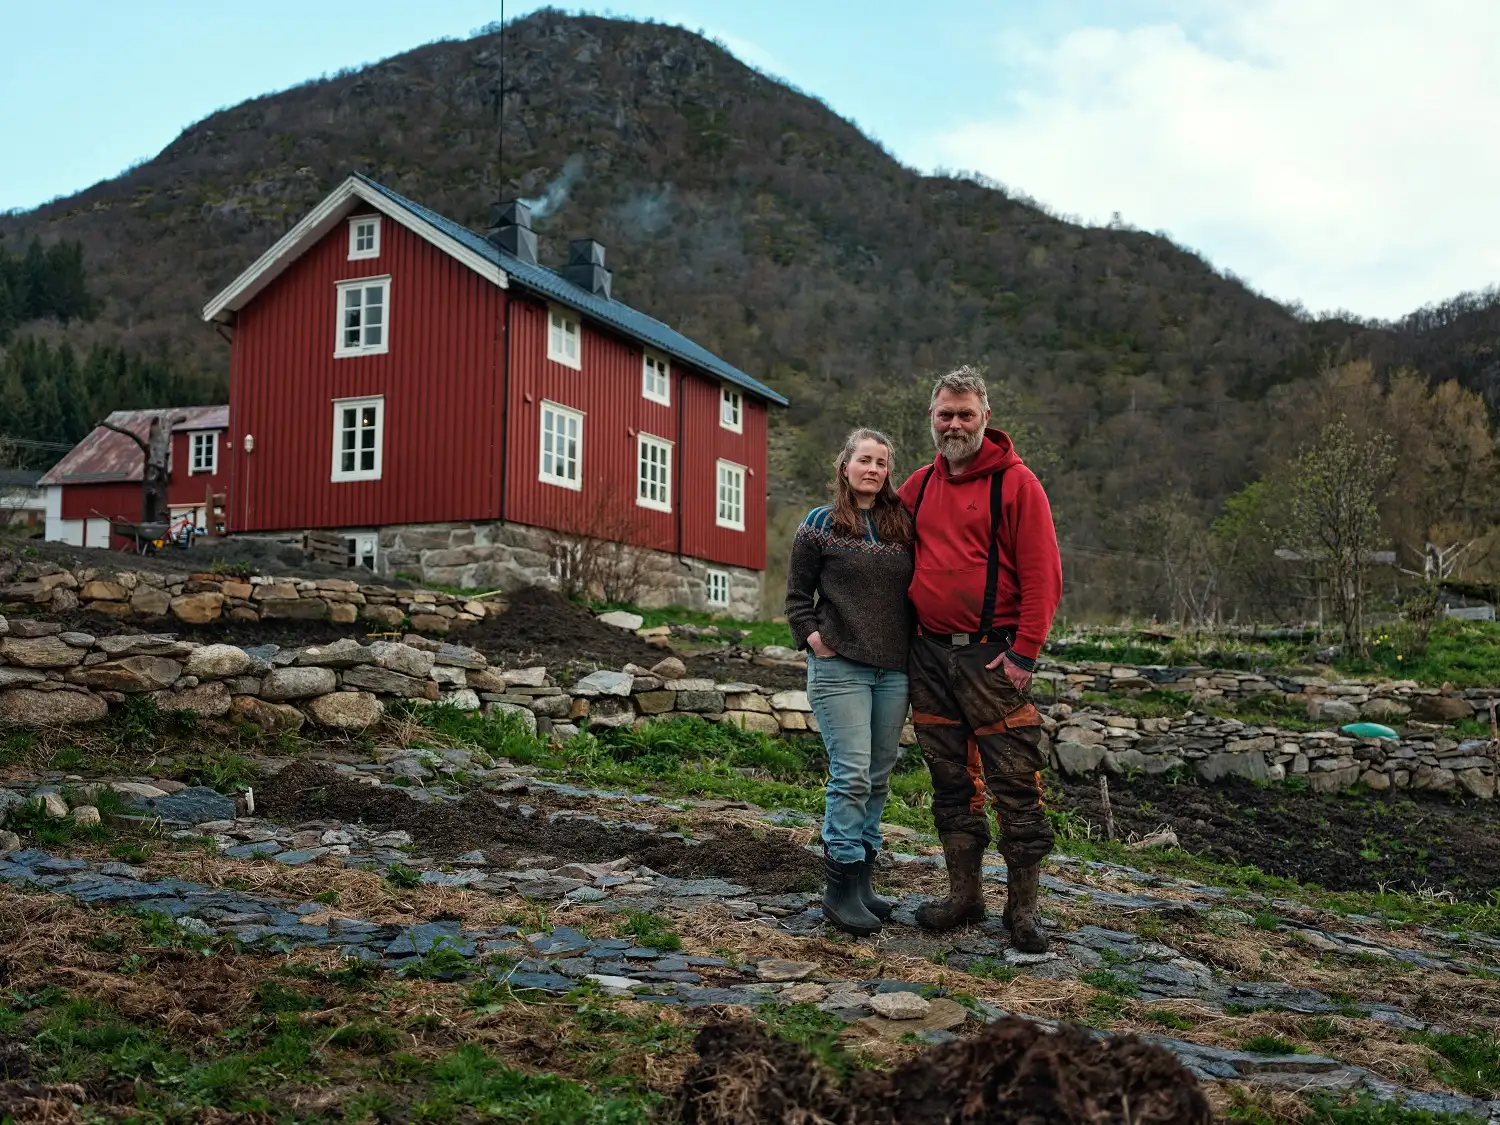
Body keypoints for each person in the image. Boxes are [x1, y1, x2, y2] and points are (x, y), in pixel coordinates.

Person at [896, 366, 1063, 951]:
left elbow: (1045, 576)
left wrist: (1025, 654)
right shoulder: (916, 486)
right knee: (949, 781)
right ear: (932, 419)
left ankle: (1024, 910)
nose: (955, 424)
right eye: (945, 414)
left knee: (1015, 778)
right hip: (930, 657)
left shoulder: (1018, 485)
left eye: (966, 413)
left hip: (994, 659)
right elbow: (876, 553)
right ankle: (964, 896)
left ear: (986, 417)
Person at [785, 428, 915, 936]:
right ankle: (838, 891)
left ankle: (862, 883)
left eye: (882, 462)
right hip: (840, 668)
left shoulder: (901, 523)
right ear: (845, 465)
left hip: (893, 671)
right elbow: (797, 596)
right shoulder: (819, 524)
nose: (873, 469)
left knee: (879, 775)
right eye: (864, 459)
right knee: (852, 773)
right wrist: (815, 639)